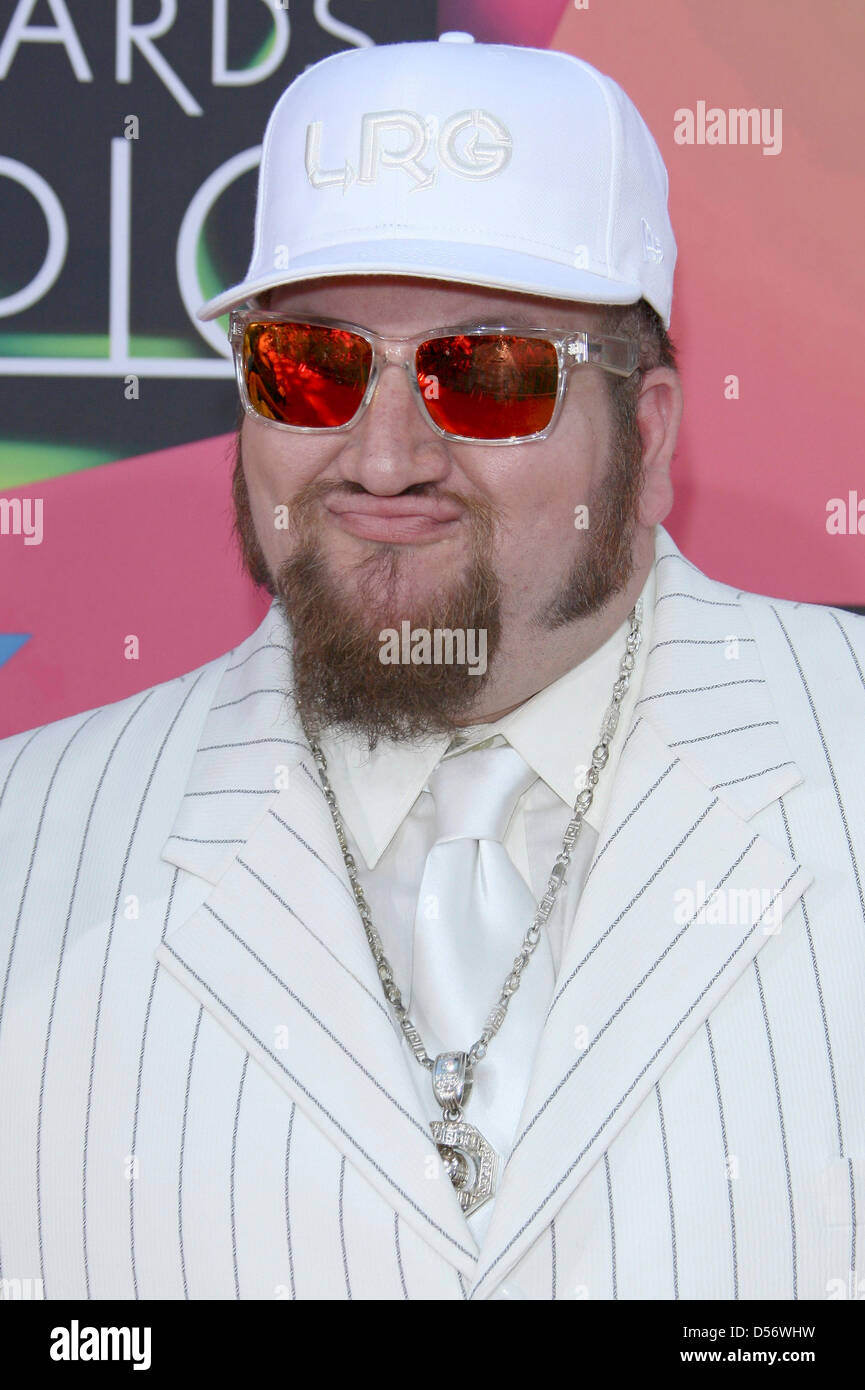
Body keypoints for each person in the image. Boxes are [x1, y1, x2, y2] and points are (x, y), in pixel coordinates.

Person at [0, 34, 862, 1304]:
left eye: (490, 374)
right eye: (313, 366)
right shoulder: (26, 841)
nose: (383, 456)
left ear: (650, 428)